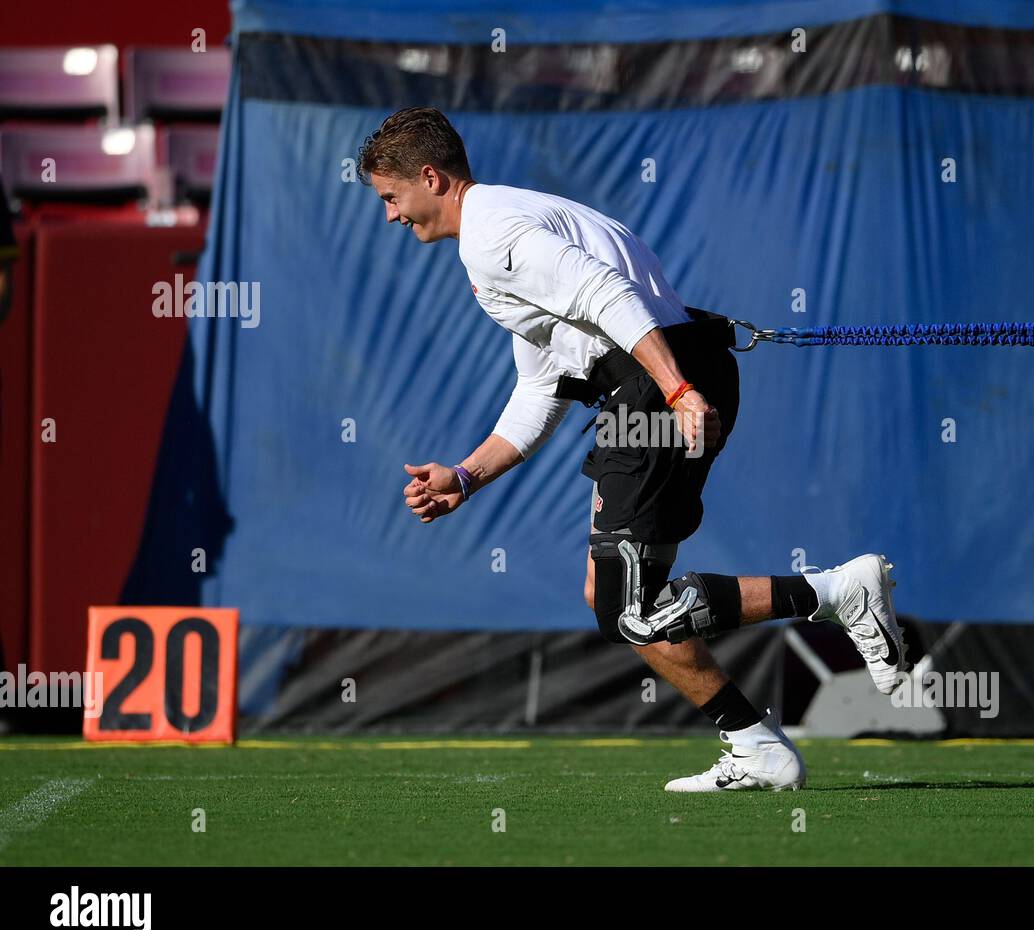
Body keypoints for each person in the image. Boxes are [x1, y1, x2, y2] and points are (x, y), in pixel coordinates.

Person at [359, 107, 910, 792]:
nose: (389, 216)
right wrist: (465, 477)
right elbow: (540, 389)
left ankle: (835, 594)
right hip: (664, 378)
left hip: (656, 386)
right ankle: (754, 741)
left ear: (431, 177)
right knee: (615, 597)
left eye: (390, 197)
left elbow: (605, 291)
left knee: (628, 608)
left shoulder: (490, 235)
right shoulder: (504, 225)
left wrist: (676, 391)